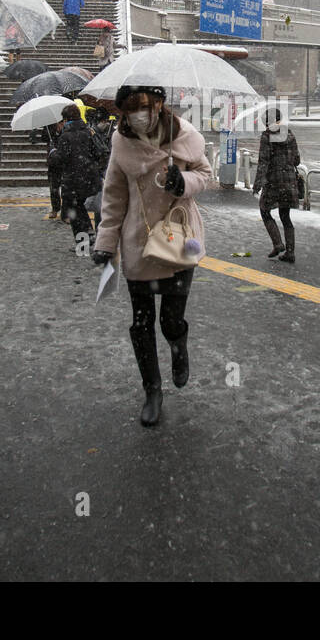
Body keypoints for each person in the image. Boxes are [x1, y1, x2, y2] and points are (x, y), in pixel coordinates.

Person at [92, 86, 212, 426]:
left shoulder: (185, 136)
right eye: (128, 109)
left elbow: (205, 174)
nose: (137, 115)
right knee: (141, 323)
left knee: (170, 320)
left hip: (181, 238)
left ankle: (179, 345)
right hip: (139, 244)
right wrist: (105, 242)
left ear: (158, 103)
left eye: (143, 106)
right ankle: (152, 390)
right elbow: (114, 197)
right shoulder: (121, 143)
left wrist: (183, 181)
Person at [49, 103, 108, 253]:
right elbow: (98, 153)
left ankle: (84, 240)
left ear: (66, 119)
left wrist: (53, 152)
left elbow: (61, 159)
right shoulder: (89, 131)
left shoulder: (66, 136)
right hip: (90, 177)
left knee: (74, 210)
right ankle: (88, 235)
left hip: (73, 179)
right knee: (79, 206)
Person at [252, 108, 301, 263]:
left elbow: (263, 162)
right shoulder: (290, 134)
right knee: (285, 216)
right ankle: (290, 252)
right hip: (289, 182)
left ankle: (278, 244)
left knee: (264, 211)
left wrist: (257, 184)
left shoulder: (267, 136)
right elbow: (297, 160)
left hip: (274, 181)